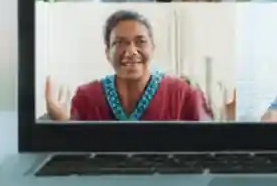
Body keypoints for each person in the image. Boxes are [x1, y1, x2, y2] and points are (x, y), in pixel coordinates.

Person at [43, 10, 211, 121]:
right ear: (107, 52)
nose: (131, 51)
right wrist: (63, 125)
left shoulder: (184, 95)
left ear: (152, 48)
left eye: (140, 41)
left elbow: (206, 146)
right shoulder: (87, 97)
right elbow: (79, 152)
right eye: (120, 43)